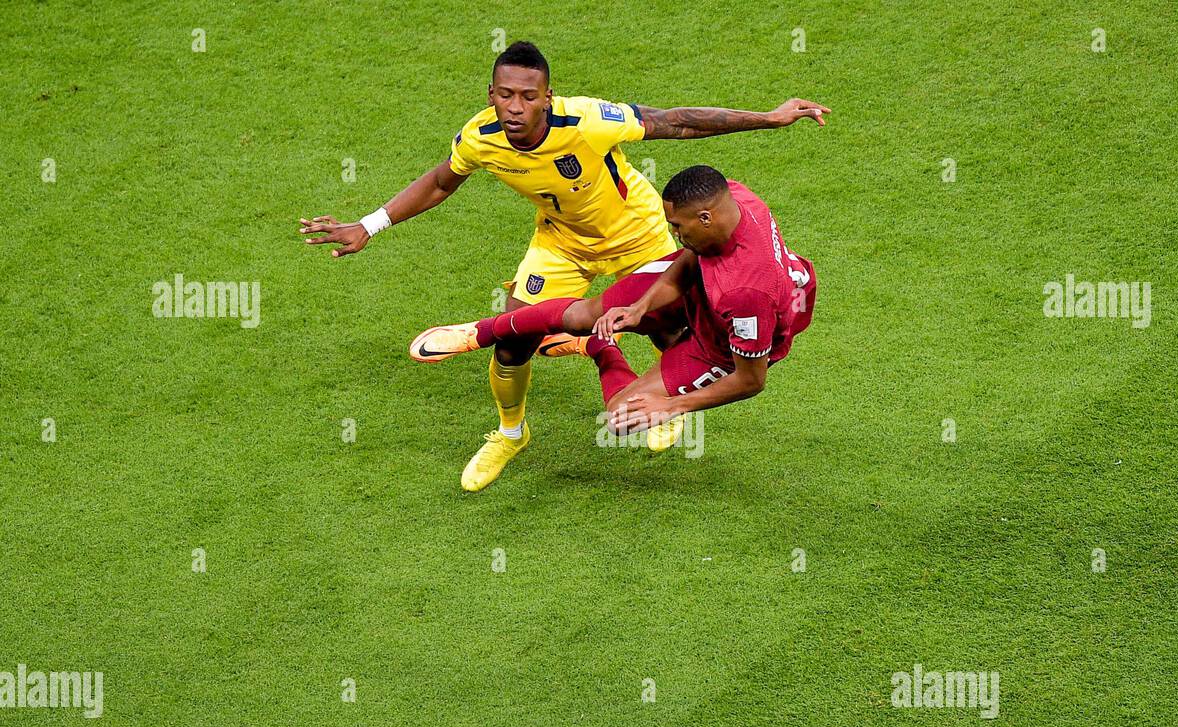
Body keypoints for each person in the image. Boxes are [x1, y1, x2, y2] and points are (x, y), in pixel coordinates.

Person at [302, 41, 828, 490]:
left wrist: (769, 117)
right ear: (491, 96)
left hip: (639, 231)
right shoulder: (480, 138)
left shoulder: (588, 120)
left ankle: (658, 393)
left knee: (669, 325)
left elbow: (677, 123)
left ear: (547, 97)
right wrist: (368, 225)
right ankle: (511, 433)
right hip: (562, 241)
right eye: (505, 94)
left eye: (528, 96)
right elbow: (441, 181)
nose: (515, 106)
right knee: (514, 343)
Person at [417, 165, 816, 442]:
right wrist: (641, 307)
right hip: (712, 288)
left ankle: (599, 348)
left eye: (677, 227)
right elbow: (695, 256)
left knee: (621, 418)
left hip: (721, 340)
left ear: (707, 217)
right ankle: (482, 331)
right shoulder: (734, 204)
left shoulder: (747, 293)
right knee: (586, 314)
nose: (672, 233)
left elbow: (751, 380)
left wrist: (673, 406)